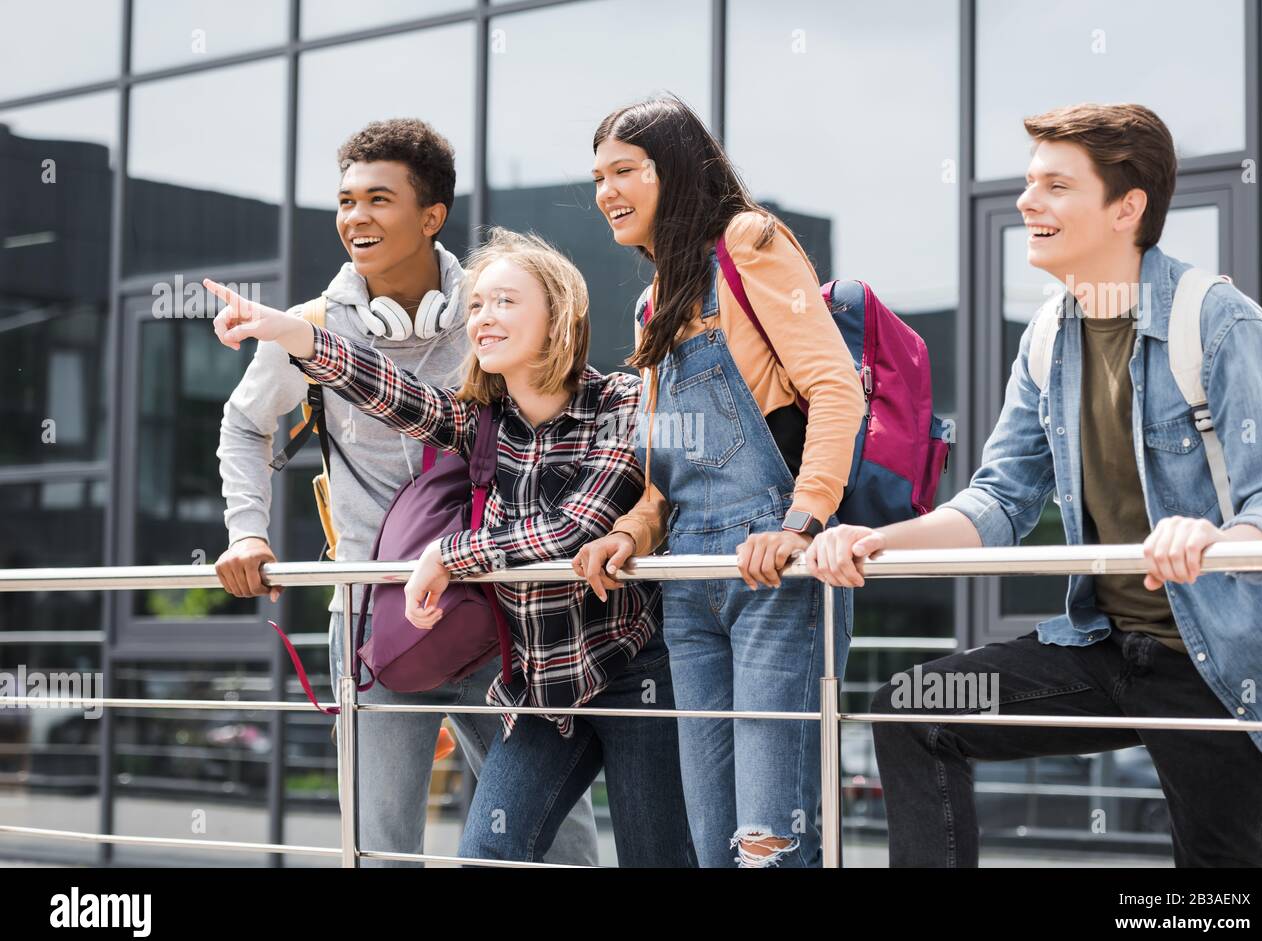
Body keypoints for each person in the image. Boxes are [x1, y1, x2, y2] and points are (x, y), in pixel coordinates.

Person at [807, 102, 1262, 867]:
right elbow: (1000, 500)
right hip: (1105, 653)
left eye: (1056, 186)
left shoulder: (1221, 323)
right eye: (1029, 182)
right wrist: (878, 538)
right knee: (913, 708)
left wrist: (1217, 535)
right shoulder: (1048, 339)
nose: (1028, 203)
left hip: (1223, 670)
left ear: (1126, 208)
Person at [206, 227, 696, 867]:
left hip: (631, 678)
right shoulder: (482, 423)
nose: (483, 318)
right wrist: (289, 333)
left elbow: (575, 526)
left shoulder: (621, 402)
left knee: (655, 858)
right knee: (489, 851)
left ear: (558, 315)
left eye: (505, 303)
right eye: (477, 305)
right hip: (545, 692)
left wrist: (448, 556)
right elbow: (386, 387)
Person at [214, 119, 597, 867]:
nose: (355, 217)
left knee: (555, 833)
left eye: (378, 199)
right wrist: (247, 530)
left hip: (501, 605)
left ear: (431, 216)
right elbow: (243, 426)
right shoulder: (311, 328)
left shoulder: (493, 314)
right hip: (370, 616)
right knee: (380, 844)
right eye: (346, 200)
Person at [573, 95, 864, 867]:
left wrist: (801, 525)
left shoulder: (749, 243)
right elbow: (665, 477)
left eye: (624, 171)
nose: (606, 191)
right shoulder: (651, 305)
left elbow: (837, 386)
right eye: (597, 176)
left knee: (769, 841)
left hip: (773, 566)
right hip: (689, 575)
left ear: (675, 169)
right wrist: (627, 533)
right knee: (714, 844)